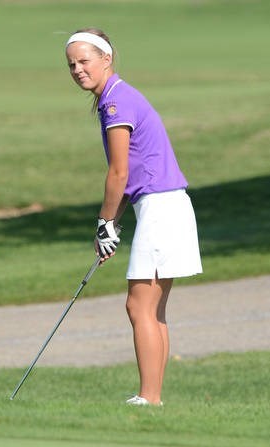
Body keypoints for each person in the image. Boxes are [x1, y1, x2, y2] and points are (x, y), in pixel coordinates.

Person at [65, 28, 203, 406]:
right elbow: (129, 179)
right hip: (165, 207)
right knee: (152, 307)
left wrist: (104, 223)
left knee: (139, 305)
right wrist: (114, 224)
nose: (78, 69)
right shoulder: (118, 97)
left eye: (85, 61)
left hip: (160, 209)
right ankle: (152, 397)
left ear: (106, 59)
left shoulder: (115, 103)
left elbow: (119, 174)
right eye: (72, 64)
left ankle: (150, 397)